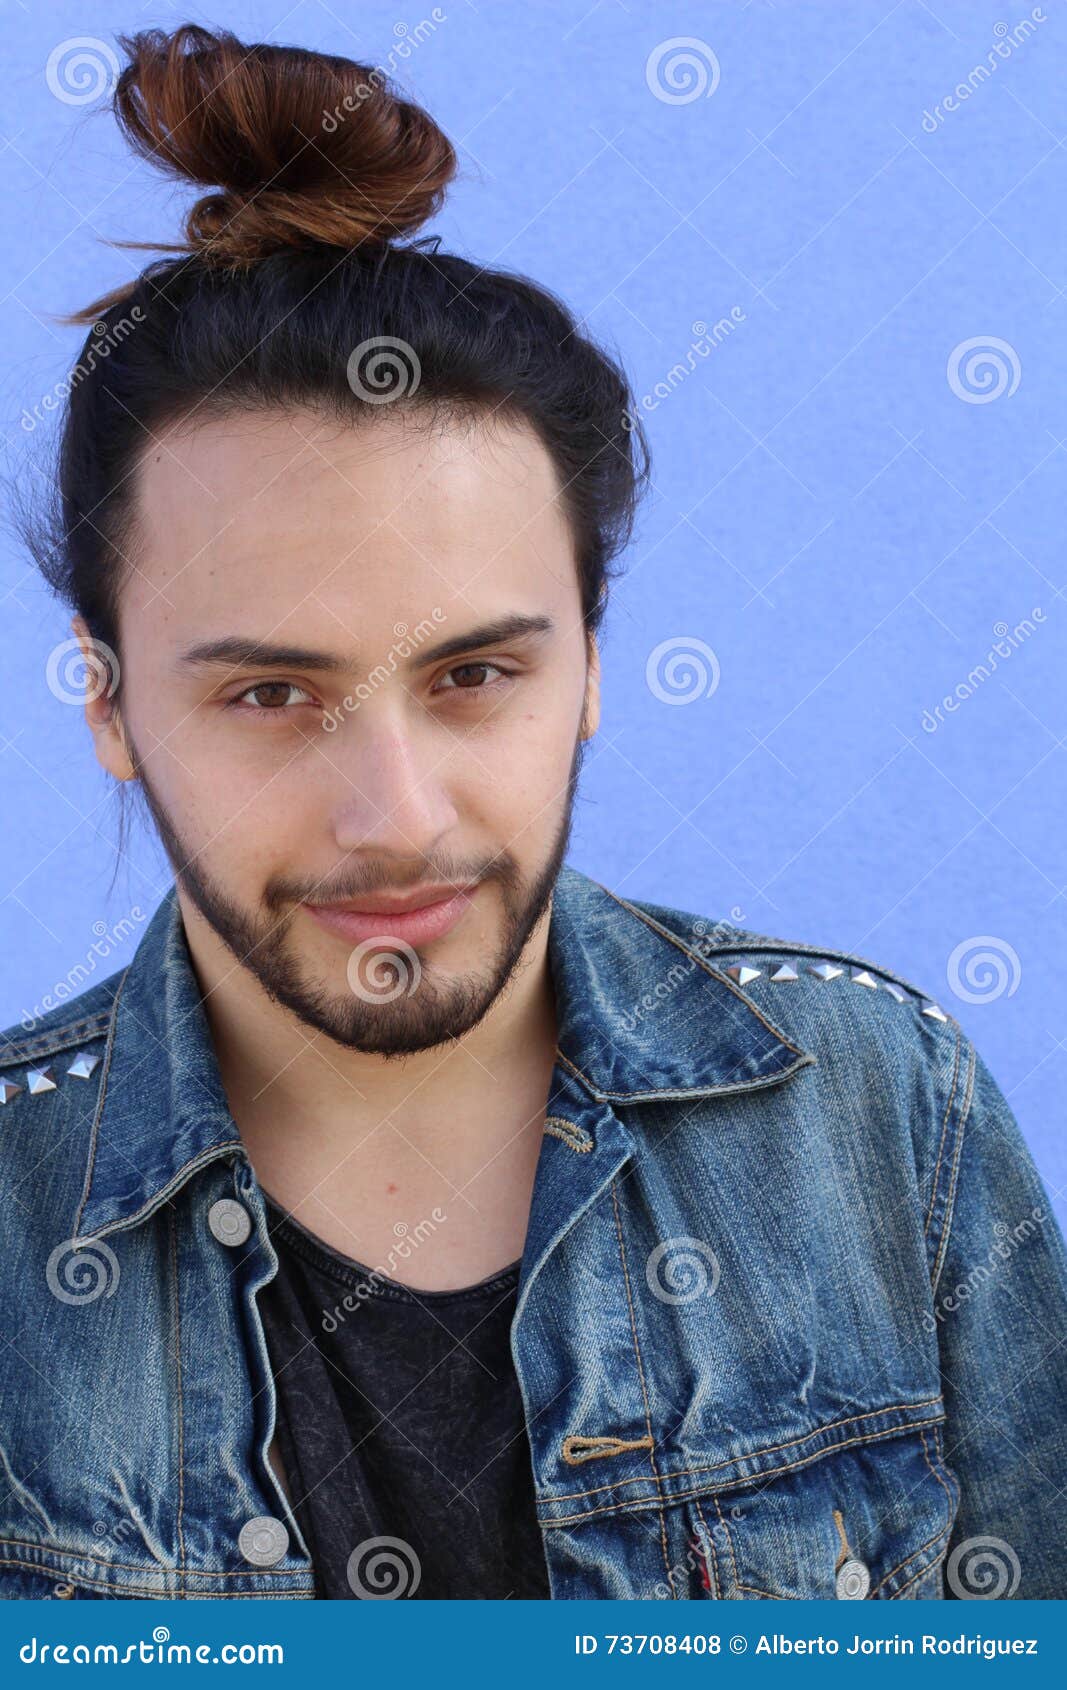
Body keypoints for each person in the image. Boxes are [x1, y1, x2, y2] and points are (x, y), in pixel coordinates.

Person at [1, 23, 1065, 1603]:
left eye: (475, 674)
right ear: (107, 706)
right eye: (270, 695)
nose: (396, 814)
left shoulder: (880, 1109)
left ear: (588, 666)